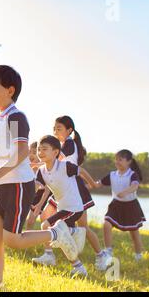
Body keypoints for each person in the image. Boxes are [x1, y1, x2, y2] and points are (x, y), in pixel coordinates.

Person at [0, 65, 78, 288]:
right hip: (1, 184)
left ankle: (55, 234)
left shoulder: (15, 117)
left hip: (17, 186)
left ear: (10, 90)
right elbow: (7, 153)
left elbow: (22, 151)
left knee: (12, 240)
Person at [32, 116, 109, 271]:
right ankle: (49, 253)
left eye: (59, 128)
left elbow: (59, 159)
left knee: (83, 227)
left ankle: (101, 255)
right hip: (61, 188)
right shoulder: (54, 150)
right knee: (46, 217)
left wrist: (93, 183)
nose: (55, 131)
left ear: (69, 130)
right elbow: (49, 175)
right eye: (54, 128)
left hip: (74, 189)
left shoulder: (68, 144)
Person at [31, 135, 95, 277]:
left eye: (44, 149)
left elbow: (82, 171)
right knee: (62, 234)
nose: (40, 152)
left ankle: (55, 257)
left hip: (74, 208)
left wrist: (93, 184)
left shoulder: (65, 166)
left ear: (55, 152)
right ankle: (75, 233)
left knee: (46, 225)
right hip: (63, 208)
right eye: (39, 150)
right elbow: (39, 187)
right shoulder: (42, 171)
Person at [92, 149, 146, 262]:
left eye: (120, 159)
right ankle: (108, 251)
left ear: (129, 161)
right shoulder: (112, 175)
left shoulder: (132, 174)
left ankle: (138, 255)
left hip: (131, 206)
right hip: (116, 205)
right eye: (116, 159)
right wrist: (83, 185)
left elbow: (135, 186)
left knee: (134, 234)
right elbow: (97, 184)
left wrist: (126, 192)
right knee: (106, 224)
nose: (117, 162)